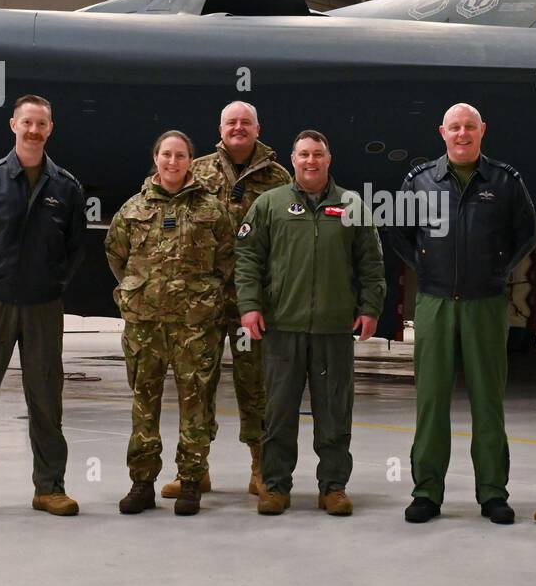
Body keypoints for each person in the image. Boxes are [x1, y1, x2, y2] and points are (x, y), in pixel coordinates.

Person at [390, 103, 536, 525]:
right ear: (442, 132)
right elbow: (399, 233)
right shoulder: (419, 181)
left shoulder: (506, 181)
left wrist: (498, 267)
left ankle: (492, 492)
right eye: (455, 127)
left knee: (488, 400)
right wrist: (427, 264)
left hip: (486, 304)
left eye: (469, 127)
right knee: (431, 400)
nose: (462, 134)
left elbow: (526, 234)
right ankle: (426, 492)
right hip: (434, 303)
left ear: (482, 130)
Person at [0, 94, 86, 520]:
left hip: (44, 305)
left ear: (50, 129)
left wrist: (52, 282)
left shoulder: (66, 187)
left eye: (41, 124)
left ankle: (50, 488)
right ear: (13, 125)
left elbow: (75, 248)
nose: (33, 130)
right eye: (27, 122)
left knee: (46, 399)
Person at [235, 130, 385, 516]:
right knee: (279, 412)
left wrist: (370, 309)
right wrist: (249, 306)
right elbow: (249, 259)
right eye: (304, 154)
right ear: (293, 159)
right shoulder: (270, 204)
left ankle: (333, 487)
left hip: (334, 329)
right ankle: (274, 486)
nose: (311, 161)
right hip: (282, 328)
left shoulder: (352, 205)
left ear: (328, 159)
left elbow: (371, 263)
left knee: (334, 412)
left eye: (318, 154)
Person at [105, 131, 234, 516]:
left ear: (190, 161)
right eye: (166, 154)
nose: (173, 162)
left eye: (180, 156)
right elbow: (116, 254)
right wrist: (142, 290)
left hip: (196, 326)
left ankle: (191, 481)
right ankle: (142, 482)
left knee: (195, 401)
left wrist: (204, 296)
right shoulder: (132, 209)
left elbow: (227, 258)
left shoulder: (213, 210)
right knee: (144, 402)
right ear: (156, 158)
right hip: (145, 323)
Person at [183, 101, 291, 498]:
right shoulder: (197, 171)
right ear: (221, 127)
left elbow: (288, 242)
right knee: (197, 383)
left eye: (246, 122)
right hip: (204, 302)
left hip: (254, 305)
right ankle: (195, 470)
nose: (239, 128)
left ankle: (261, 468)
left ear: (258, 127)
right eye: (232, 122)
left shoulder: (279, 177)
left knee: (256, 385)